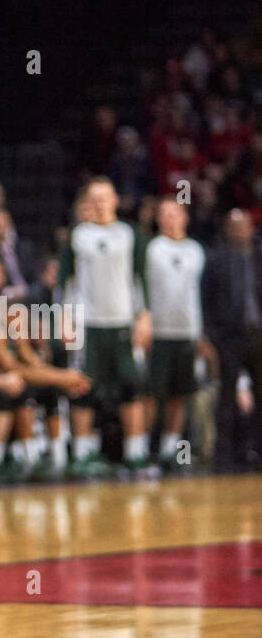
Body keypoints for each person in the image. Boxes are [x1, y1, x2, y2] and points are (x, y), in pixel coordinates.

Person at [61, 177, 151, 476]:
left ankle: (135, 454)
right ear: (88, 201)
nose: (99, 202)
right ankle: (83, 455)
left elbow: (140, 279)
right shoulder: (77, 235)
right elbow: (66, 281)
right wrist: (64, 317)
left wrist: (144, 317)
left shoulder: (130, 233)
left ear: (115, 200)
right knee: (82, 387)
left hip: (122, 321)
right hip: (87, 323)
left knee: (131, 387)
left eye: (105, 197)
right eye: (94, 197)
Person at [142, 198, 207, 470]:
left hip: (188, 333)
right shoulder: (152, 248)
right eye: (163, 214)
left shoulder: (196, 250)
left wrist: (201, 333)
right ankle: (143, 450)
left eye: (173, 213)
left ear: (185, 217)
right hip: (158, 332)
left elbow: (200, 295)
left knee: (179, 394)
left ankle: (172, 450)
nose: (168, 219)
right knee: (151, 394)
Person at [202, 209, 262, 472]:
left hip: (258, 336)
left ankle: (255, 451)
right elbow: (205, 300)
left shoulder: (259, 256)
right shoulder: (216, 259)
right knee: (226, 398)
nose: (239, 231)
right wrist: (210, 335)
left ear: (251, 228)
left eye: (244, 226)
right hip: (229, 338)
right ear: (226, 231)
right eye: (234, 227)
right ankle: (225, 456)